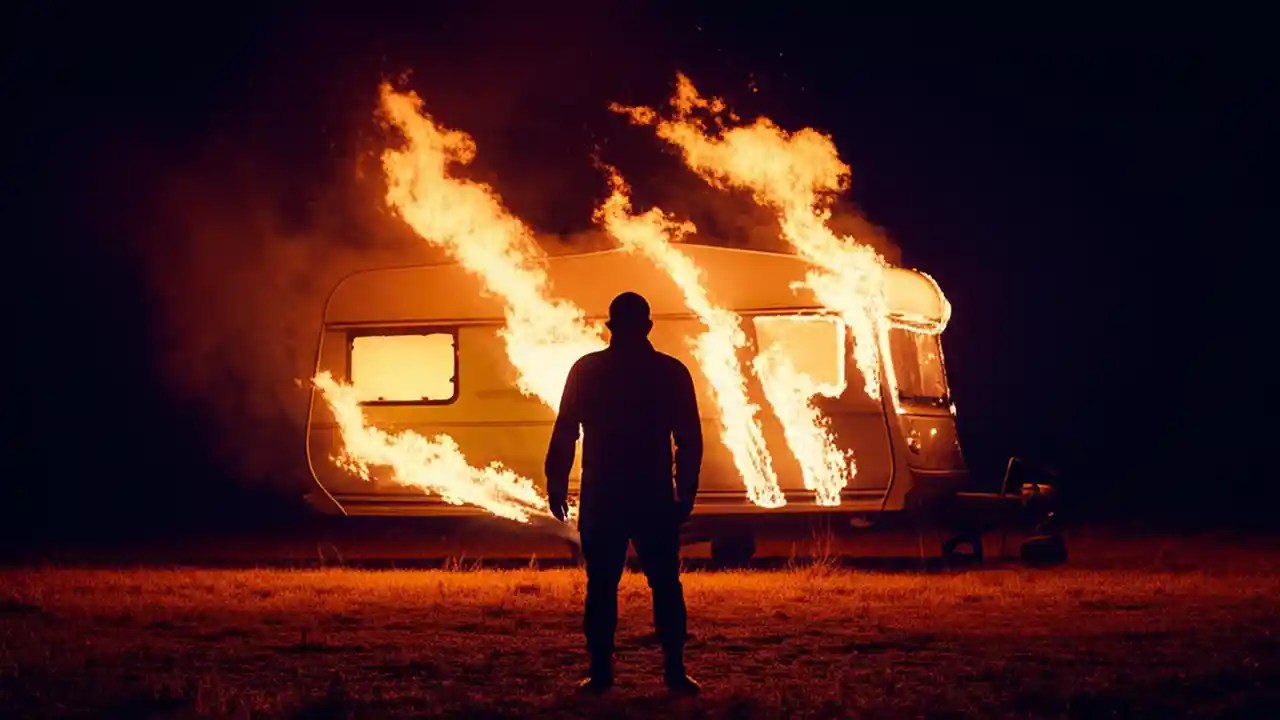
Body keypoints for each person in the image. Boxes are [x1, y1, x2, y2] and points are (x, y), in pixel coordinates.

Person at [545, 291, 703, 696]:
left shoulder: (588, 370)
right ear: (647, 327)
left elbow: (566, 430)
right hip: (652, 494)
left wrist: (557, 480)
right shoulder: (670, 372)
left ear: (610, 326)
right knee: (666, 584)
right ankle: (674, 671)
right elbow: (689, 439)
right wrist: (685, 491)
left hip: (604, 493)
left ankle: (600, 673)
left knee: (601, 585)